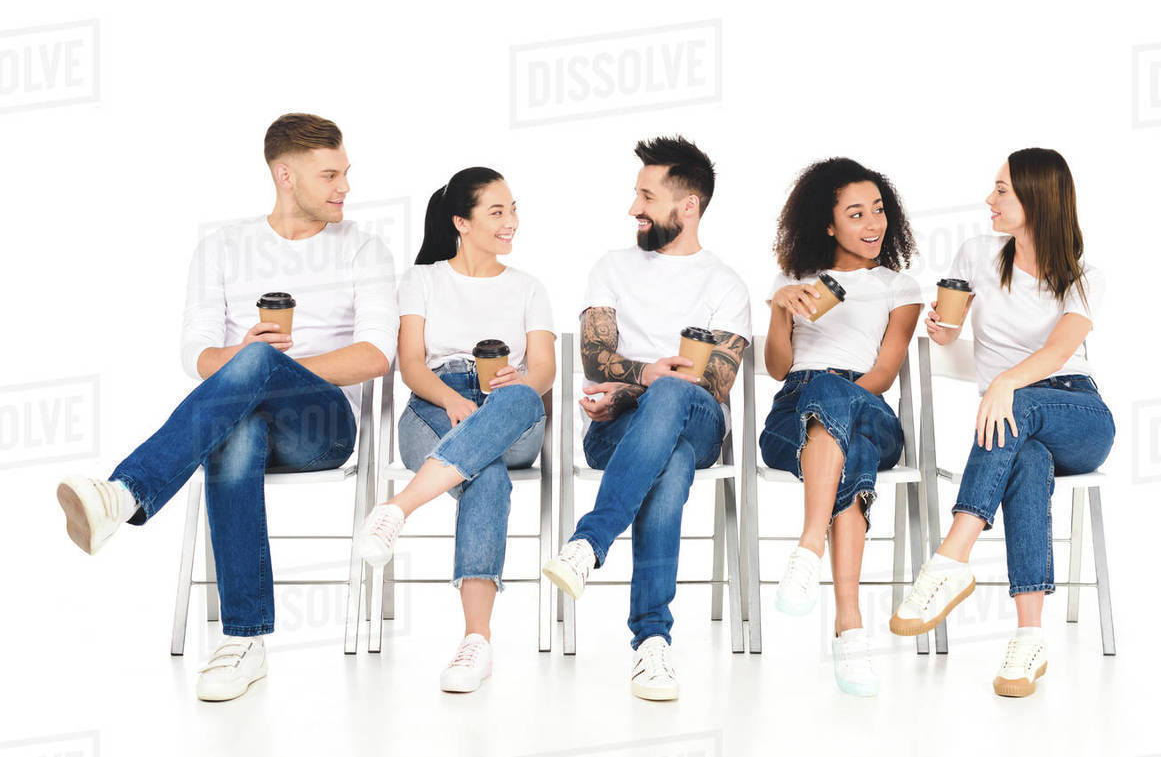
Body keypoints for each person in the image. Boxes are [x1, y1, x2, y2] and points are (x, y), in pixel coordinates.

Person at [54, 113, 398, 702]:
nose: (345, 187)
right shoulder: (222, 249)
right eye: (330, 175)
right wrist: (244, 363)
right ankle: (244, 641)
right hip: (241, 420)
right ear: (285, 175)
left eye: (345, 173)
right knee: (235, 431)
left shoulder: (364, 249)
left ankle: (127, 493)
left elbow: (375, 355)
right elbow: (196, 350)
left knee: (258, 366)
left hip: (322, 427)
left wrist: (271, 370)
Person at [889, 148, 1114, 698]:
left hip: (1079, 414)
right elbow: (951, 325)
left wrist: (1006, 383)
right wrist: (944, 331)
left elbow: (1061, 351)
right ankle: (1029, 639)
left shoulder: (1084, 274)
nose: (989, 200)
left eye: (1001, 190)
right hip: (1017, 426)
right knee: (1027, 462)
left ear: (1035, 199)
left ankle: (950, 559)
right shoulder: (978, 254)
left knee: (1018, 408)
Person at [541, 136, 751, 701]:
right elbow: (592, 357)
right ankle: (651, 644)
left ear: (688, 206)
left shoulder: (725, 284)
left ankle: (589, 541)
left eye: (646, 195)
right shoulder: (611, 268)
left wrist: (639, 384)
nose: (633, 208)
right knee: (671, 462)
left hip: (699, 422)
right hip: (616, 433)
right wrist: (645, 379)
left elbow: (715, 384)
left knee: (675, 398)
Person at [354, 167, 555, 693]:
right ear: (461, 222)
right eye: (497, 211)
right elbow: (413, 366)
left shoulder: (529, 288)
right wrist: (453, 401)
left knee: (514, 400)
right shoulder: (421, 280)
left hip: (510, 410)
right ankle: (478, 642)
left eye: (513, 209)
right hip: (435, 404)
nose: (511, 221)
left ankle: (398, 509)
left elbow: (545, 372)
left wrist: (518, 382)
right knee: (484, 473)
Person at [759, 158, 921, 696]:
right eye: (856, 214)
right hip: (794, 411)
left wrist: (837, 388)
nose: (873, 224)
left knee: (835, 395)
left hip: (869, 407)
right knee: (849, 457)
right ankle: (849, 628)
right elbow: (779, 368)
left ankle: (809, 546)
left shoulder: (900, 286)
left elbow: (883, 372)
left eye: (878, 210)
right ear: (827, 225)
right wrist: (780, 310)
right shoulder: (794, 282)